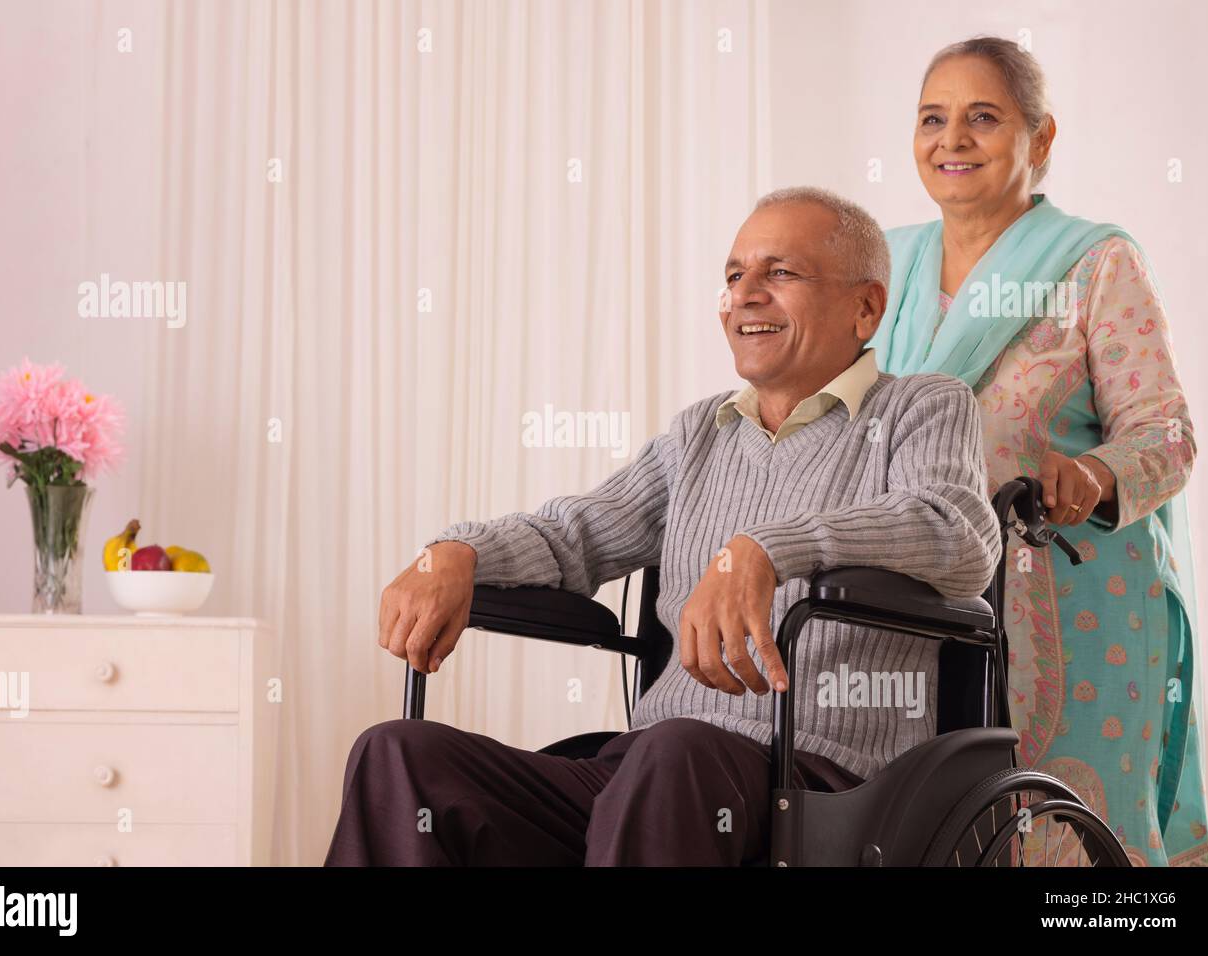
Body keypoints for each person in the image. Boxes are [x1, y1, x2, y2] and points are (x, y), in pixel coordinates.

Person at [325, 186, 1001, 866]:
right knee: (397, 755)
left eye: (780, 273)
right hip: (647, 773)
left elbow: (957, 530)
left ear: (866, 306)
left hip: (816, 780)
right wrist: (456, 552)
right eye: (735, 276)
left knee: (675, 749)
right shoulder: (697, 436)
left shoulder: (922, 406)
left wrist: (765, 550)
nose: (745, 295)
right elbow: (575, 536)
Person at [869, 35, 1208, 865]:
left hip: (1073, 606)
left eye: (981, 118)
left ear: (1041, 139)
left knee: (1066, 846)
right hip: (917, 609)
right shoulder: (882, 265)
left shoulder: (1097, 264)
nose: (952, 140)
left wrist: (1092, 473)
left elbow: (1168, 434)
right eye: (933, 119)